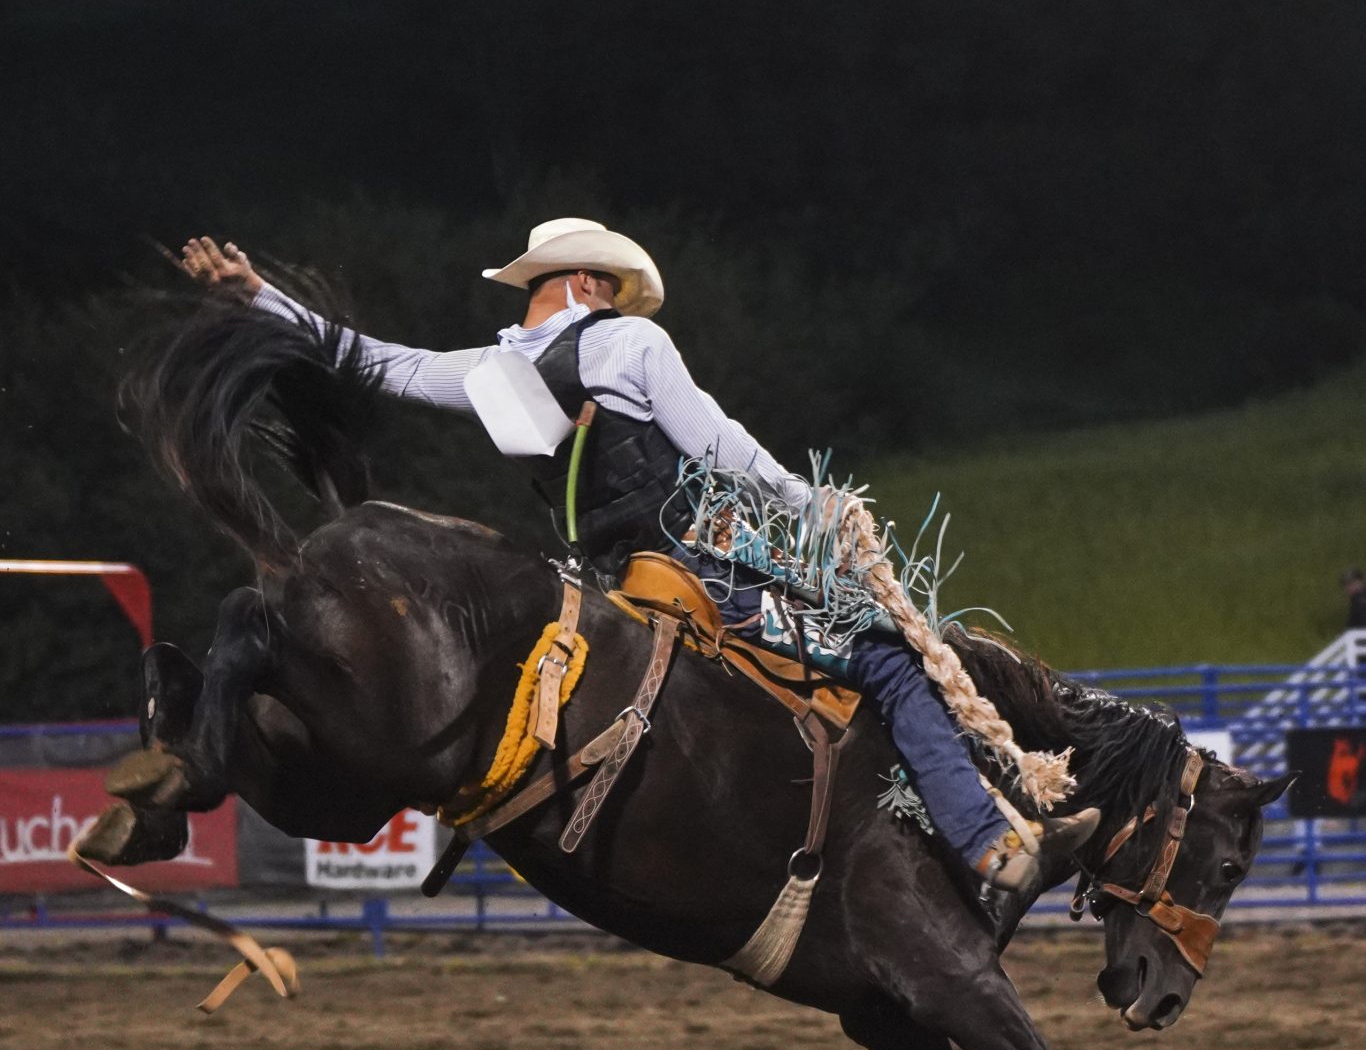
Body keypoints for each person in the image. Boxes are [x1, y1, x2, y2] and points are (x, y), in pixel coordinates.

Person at [178, 222, 1098, 890]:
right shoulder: (629, 340)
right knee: (892, 664)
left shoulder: (497, 372)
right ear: (583, 283)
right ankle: (990, 843)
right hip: (696, 567)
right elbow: (714, 442)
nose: (617, 298)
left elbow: (374, 361)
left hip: (603, 584)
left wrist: (259, 296)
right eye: (610, 283)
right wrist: (810, 503)